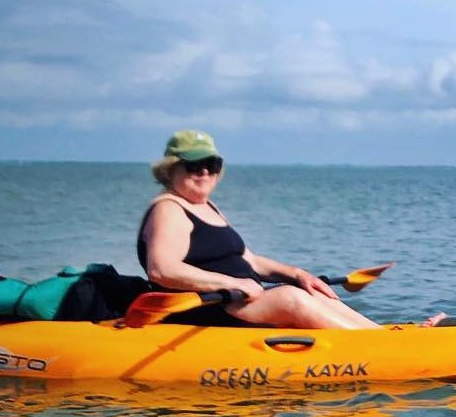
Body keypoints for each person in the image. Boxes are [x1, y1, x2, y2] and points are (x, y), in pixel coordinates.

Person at [137, 130, 382, 330]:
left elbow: (248, 260)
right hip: (210, 309)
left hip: (242, 301)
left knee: (312, 291)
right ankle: (377, 348)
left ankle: (380, 335)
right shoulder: (168, 209)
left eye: (211, 164)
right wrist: (233, 282)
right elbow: (162, 269)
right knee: (290, 297)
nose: (204, 172)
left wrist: (297, 274)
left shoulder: (206, 206)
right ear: (170, 169)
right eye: (194, 165)